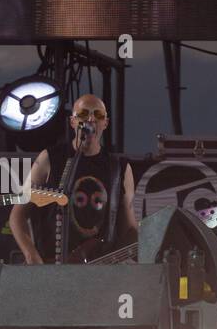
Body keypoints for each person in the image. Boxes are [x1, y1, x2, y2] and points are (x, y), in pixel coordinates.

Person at [8, 94, 139, 264]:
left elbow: (128, 229)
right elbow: (17, 216)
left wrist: (142, 249)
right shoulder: (50, 159)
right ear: (73, 122)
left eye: (98, 115)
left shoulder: (119, 169)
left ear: (105, 123)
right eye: (84, 114)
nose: (91, 119)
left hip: (99, 273)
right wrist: (31, 256)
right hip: (52, 269)